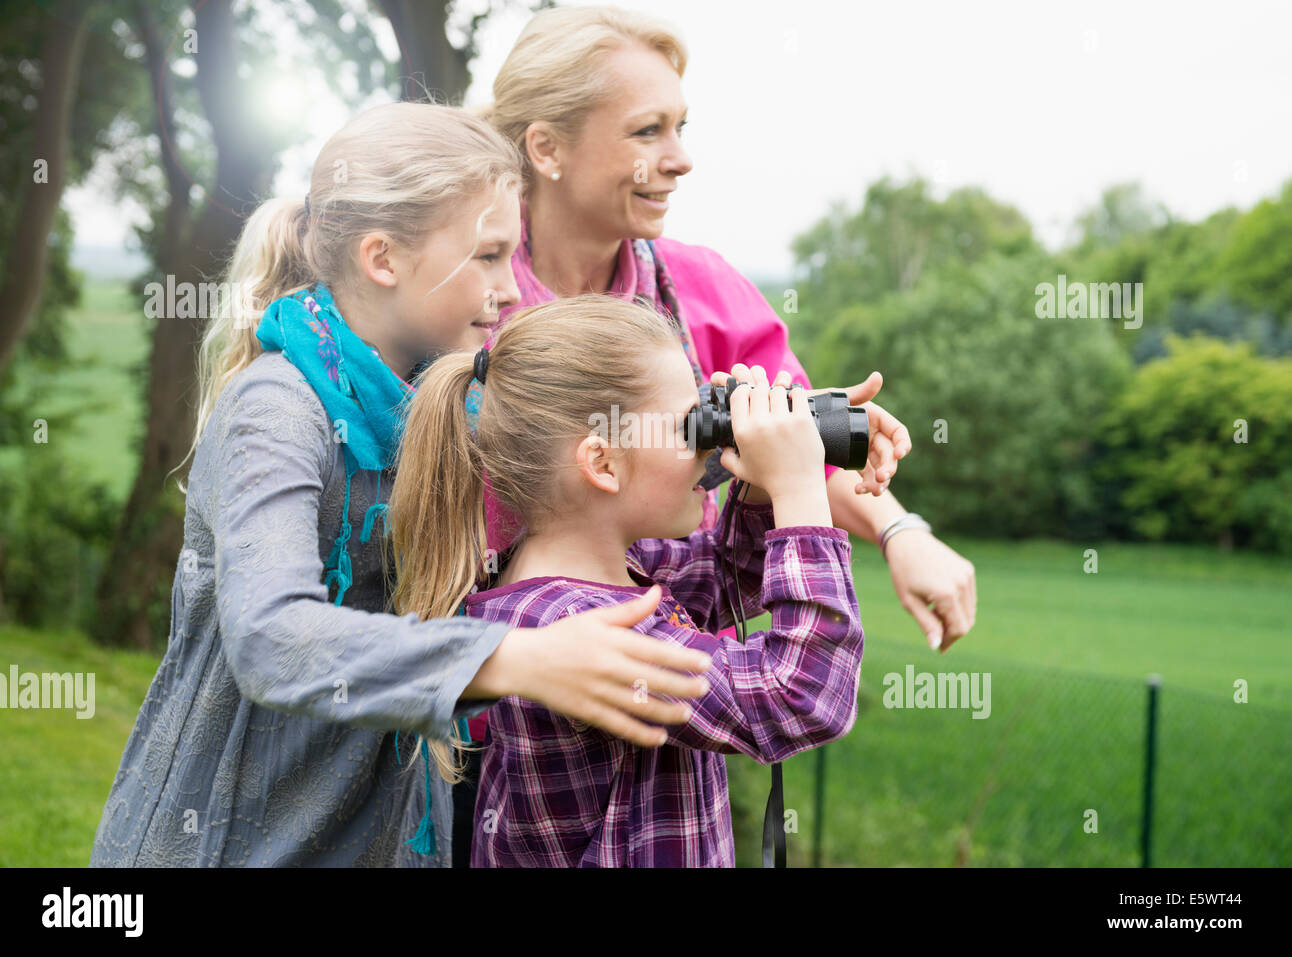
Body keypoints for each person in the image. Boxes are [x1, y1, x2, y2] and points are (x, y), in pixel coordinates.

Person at [90, 103, 712, 868]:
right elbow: (272, 636)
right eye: (487, 257)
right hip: (223, 840)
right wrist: (521, 658)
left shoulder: (446, 409)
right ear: (384, 259)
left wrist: (748, 451)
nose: (511, 289)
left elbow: (616, 485)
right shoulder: (278, 409)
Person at [476, 4, 975, 655]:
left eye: (680, 127)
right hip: (497, 693)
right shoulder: (465, 296)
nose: (681, 159)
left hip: (684, 674)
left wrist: (899, 528)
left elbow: (785, 446)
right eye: (647, 132)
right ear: (547, 147)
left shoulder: (704, 289)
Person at [389, 295, 864, 866]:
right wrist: (800, 491)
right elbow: (798, 698)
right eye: (692, 426)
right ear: (604, 463)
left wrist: (772, 465)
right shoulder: (577, 627)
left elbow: (722, 577)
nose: (709, 449)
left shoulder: (589, 578)